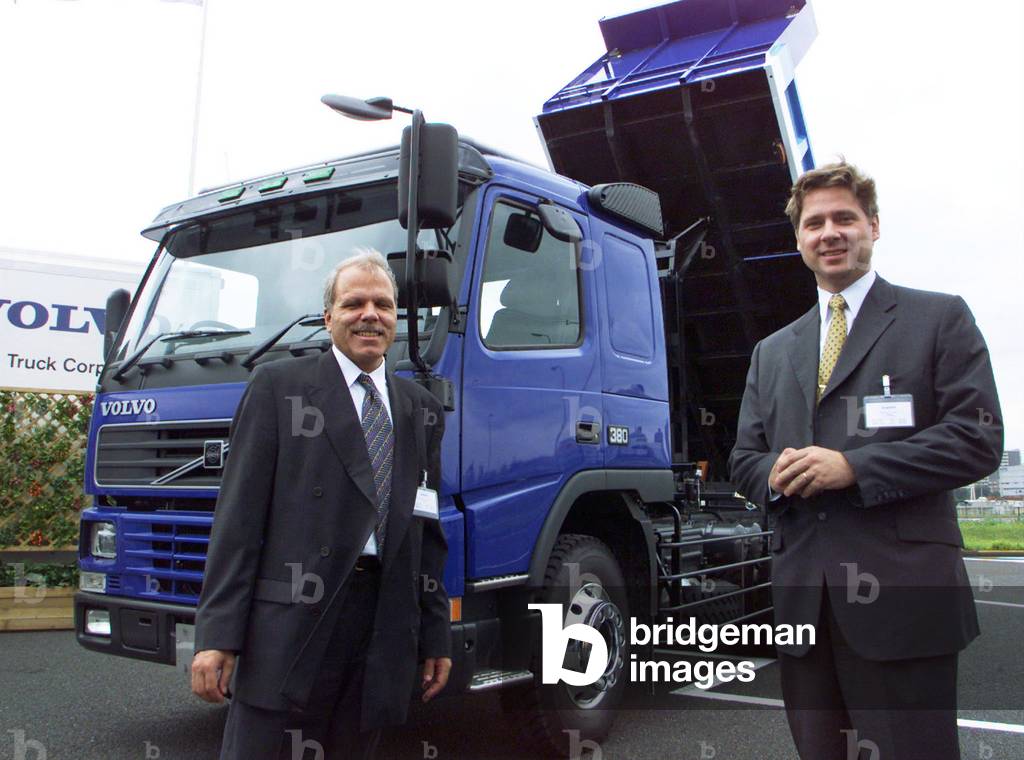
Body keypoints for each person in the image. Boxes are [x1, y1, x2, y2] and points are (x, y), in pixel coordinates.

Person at [729, 161, 1002, 760]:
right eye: (814, 223)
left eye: (844, 218)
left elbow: (976, 439)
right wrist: (774, 475)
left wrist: (855, 468)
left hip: (904, 602)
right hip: (805, 608)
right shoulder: (771, 351)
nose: (829, 233)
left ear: (873, 227)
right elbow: (743, 457)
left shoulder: (938, 318)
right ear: (799, 239)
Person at [191, 248, 451, 760]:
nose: (370, 315)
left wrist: (434, 634)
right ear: (329, 317)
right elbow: (238, 521)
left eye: (383, 304)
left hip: (381, 627)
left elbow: (426, 533)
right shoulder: (278, 387)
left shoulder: (419, 408)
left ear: (396, 319)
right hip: (292, 625)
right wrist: (217, 636)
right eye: (354, 304)